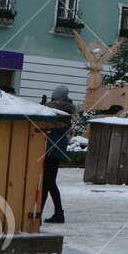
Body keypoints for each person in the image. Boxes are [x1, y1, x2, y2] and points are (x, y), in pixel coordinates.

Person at [42, 84, 76, 224]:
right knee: (48, 182)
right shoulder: (64, 111)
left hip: (52, 149)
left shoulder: (58, 111)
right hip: (55, 149)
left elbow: (50, 127)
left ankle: (53, 213)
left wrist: (43, 108)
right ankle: (54, 213)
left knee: (48, 182)